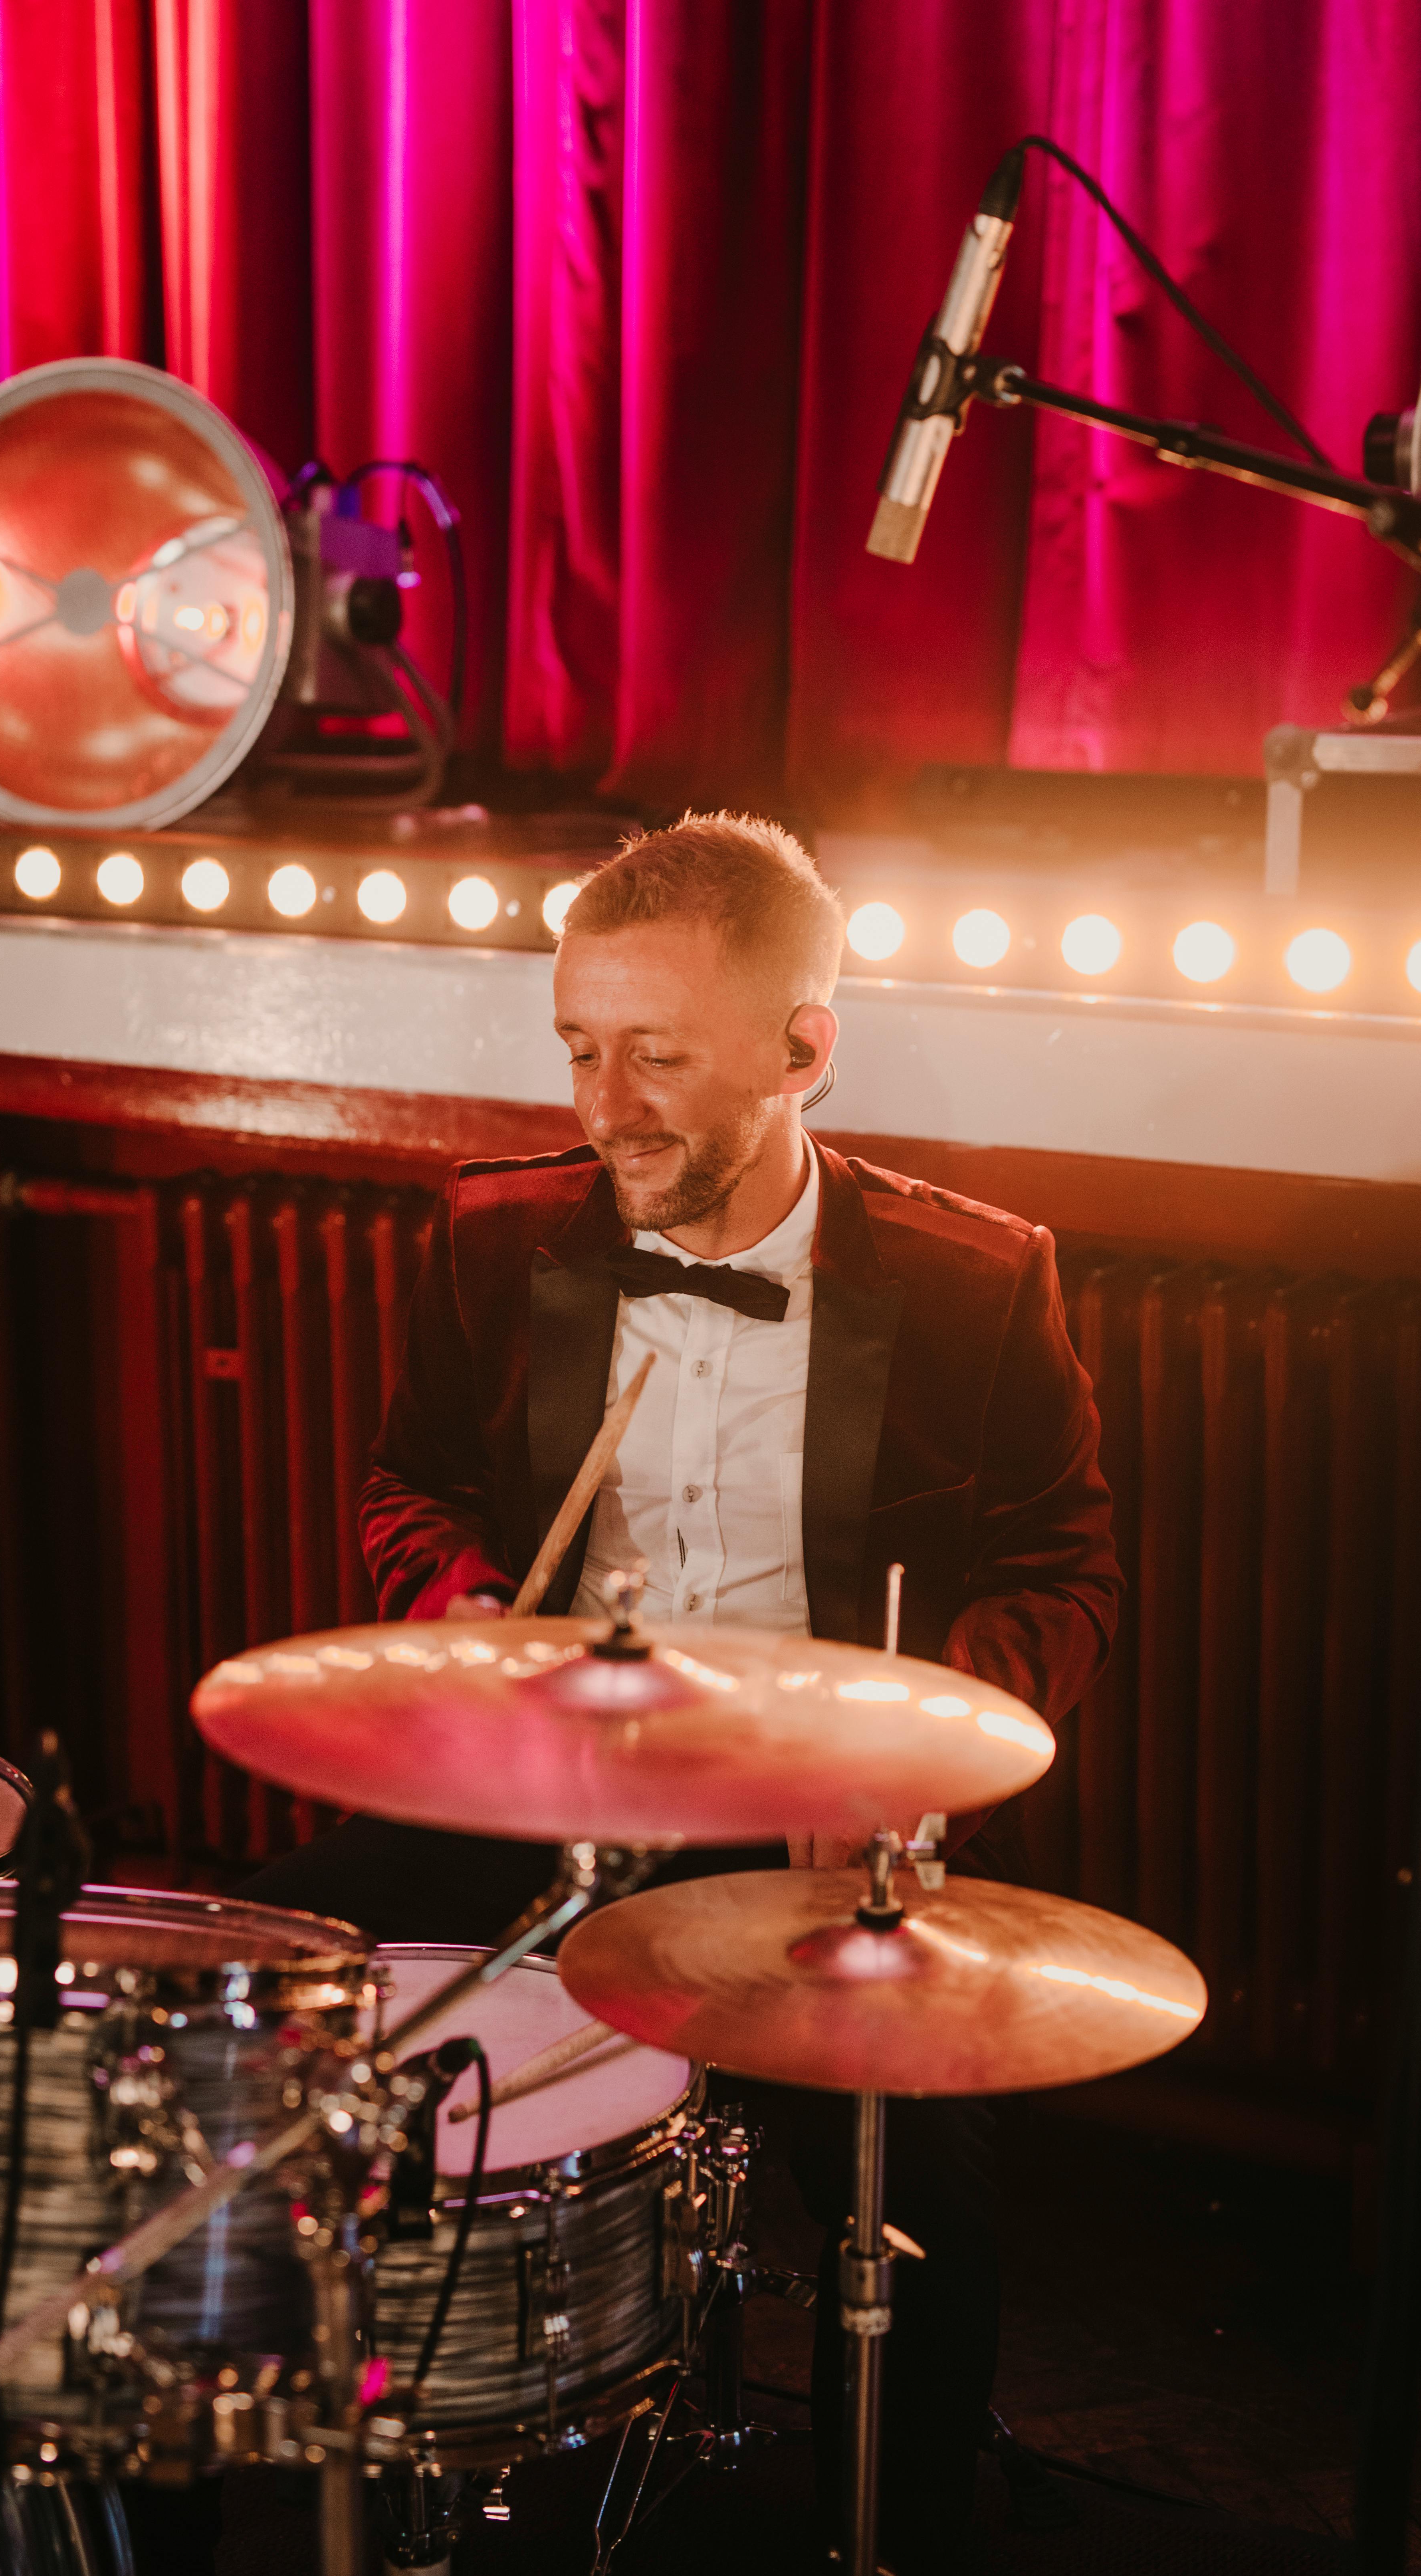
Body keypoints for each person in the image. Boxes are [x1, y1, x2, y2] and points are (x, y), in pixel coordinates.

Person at [241, 810, 1120, 2571]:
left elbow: (1059, 1565)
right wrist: (471, 1606)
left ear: (804, 1046)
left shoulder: (971, 1280)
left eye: (656, 1052)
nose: (604, 1098)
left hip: (819, 1824)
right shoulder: (499, 1241)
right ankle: (313, 2457)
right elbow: (407, 1486)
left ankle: (911, 2507)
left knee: (920, 2175)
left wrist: (901, 1749)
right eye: (579, 1044)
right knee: (298, 1999)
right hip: (557, 1784)